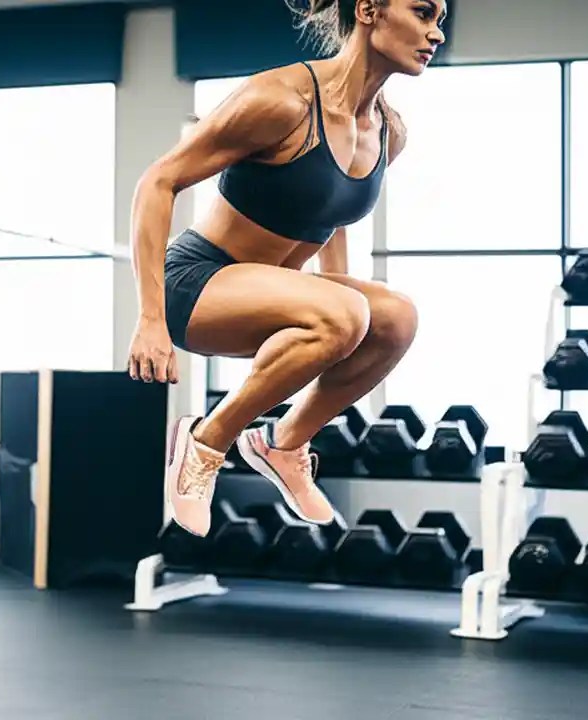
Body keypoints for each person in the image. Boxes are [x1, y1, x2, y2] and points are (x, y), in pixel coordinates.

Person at [127, 0, 447, 537]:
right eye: (422, 12)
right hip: (197, 285)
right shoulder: (281, 101)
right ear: (369, 9)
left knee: (397, 318)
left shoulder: (388, 132)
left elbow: (331, 213)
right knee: (346, 314)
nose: (435, 33)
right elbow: (157, 182)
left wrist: (346, 319)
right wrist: (150, 319)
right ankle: (205, 442)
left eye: (441, 20)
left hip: (275, 296)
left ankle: (284, 443)